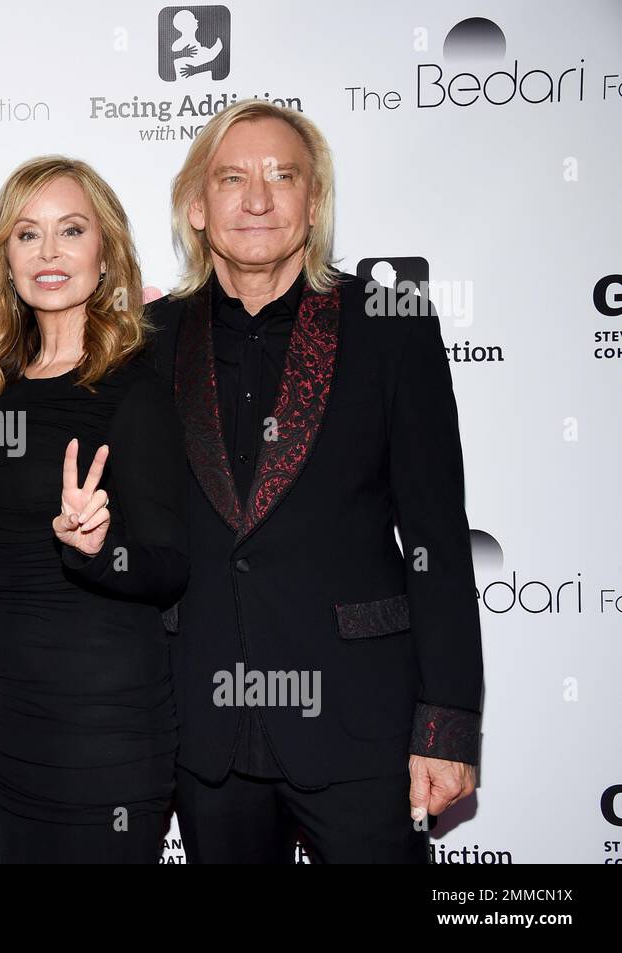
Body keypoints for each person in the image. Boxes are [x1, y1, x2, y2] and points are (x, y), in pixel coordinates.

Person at [145, 99, 484, 863]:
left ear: (314, 200)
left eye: (282, 176)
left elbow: (436, 535)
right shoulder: (151, 341)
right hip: (207, 731)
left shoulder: (390, 324)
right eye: (231, 178)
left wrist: (448, 724)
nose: (258, 198)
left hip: (361, 723)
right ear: (196, 207)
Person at [0, 156, 189, 863]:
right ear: (6, 258)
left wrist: (96, 548)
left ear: (106, 254)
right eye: (27, 234)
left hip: (107, 731)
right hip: (11, 722)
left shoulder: (134, 386)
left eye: (70, 230)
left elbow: (168, 565)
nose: (50, 252)